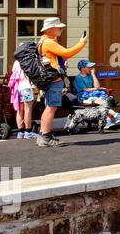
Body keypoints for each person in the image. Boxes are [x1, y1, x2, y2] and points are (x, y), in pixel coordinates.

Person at [36, 17, 86, 148]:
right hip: (54, 80)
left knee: (49, 106)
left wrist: (61, 61)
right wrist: (82, 43)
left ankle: (43, 135)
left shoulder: (43, 41)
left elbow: (61, 56)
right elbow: (67, 53)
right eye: (58, 27)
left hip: (50, 79)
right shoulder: (49, 42)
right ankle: (45, 136)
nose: (61, 29)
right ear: (51, 29)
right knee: (51, 107)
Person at [71, 59, 120, 129]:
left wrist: (93, 75)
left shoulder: (89, 76)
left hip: (91, 95)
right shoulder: (78, 78)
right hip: (83, 97)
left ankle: (108, 120)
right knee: (102, 102)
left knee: (105, 100)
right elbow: (85, 90)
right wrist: (98, 88)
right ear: (82, 68)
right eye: (89, 67)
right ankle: (114, 116)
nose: (91, 68)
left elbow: (97, 85)